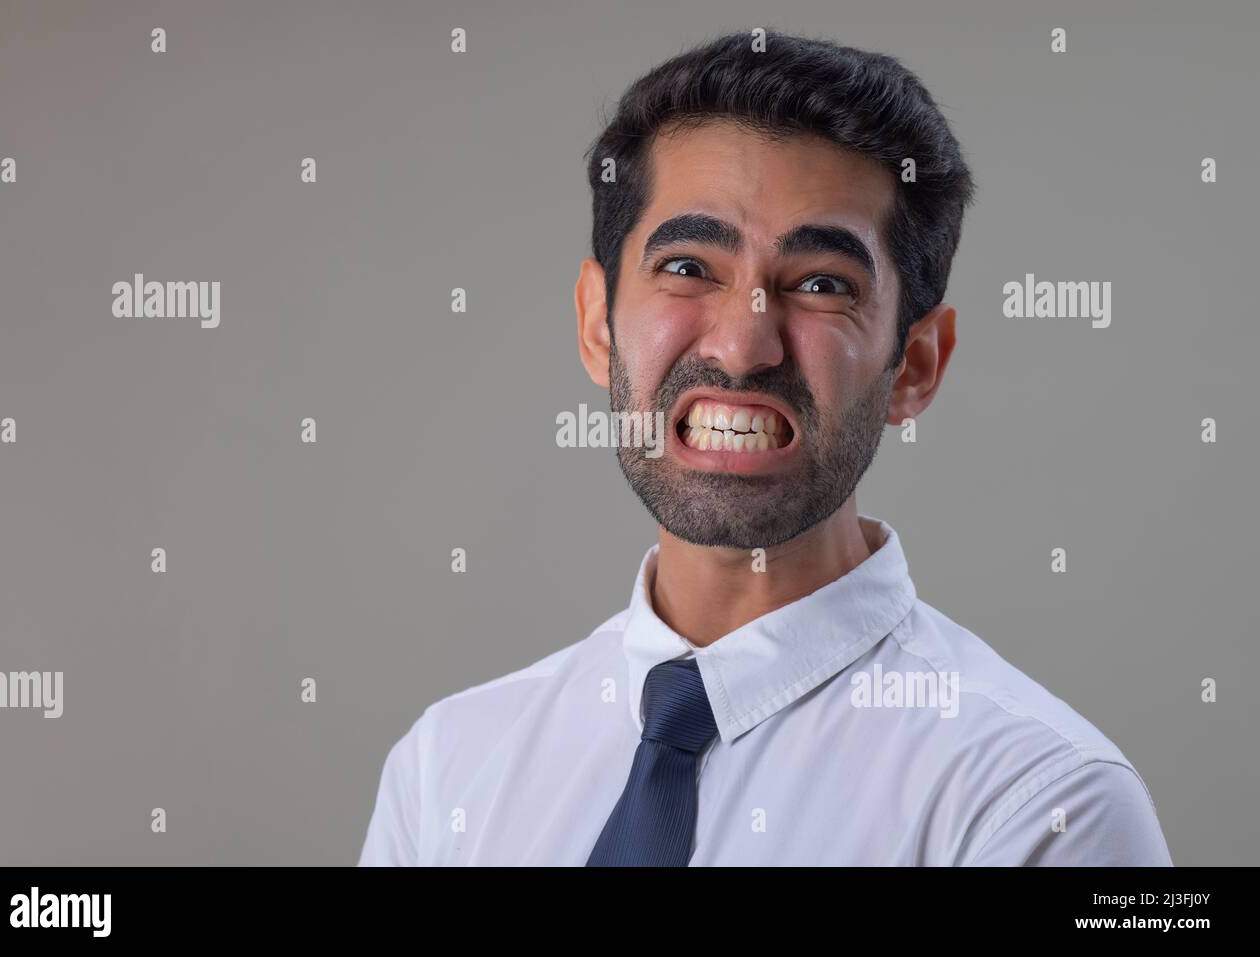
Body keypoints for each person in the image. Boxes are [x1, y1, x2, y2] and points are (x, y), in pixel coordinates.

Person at [359, 30, 1172, 866]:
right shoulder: (445, 771)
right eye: (686, 266)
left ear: (915, 365)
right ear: (597, 324)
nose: (744, 346)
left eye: (822, 284)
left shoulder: (1043, 805)